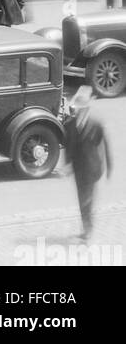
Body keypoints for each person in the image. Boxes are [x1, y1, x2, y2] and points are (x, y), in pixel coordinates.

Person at [63, 86, 112, 241]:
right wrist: (67, 164)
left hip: (91, 167)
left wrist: (109, 166)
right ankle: (86, 225)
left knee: (87, 198)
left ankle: (88, 228)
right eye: (77, 109)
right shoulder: (70, 125)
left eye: (81, 109)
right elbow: (68, 146)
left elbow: (104, 145)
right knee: (81, 198)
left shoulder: (96, 124)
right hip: (78, 168)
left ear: (87, 109)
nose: (78, 111)